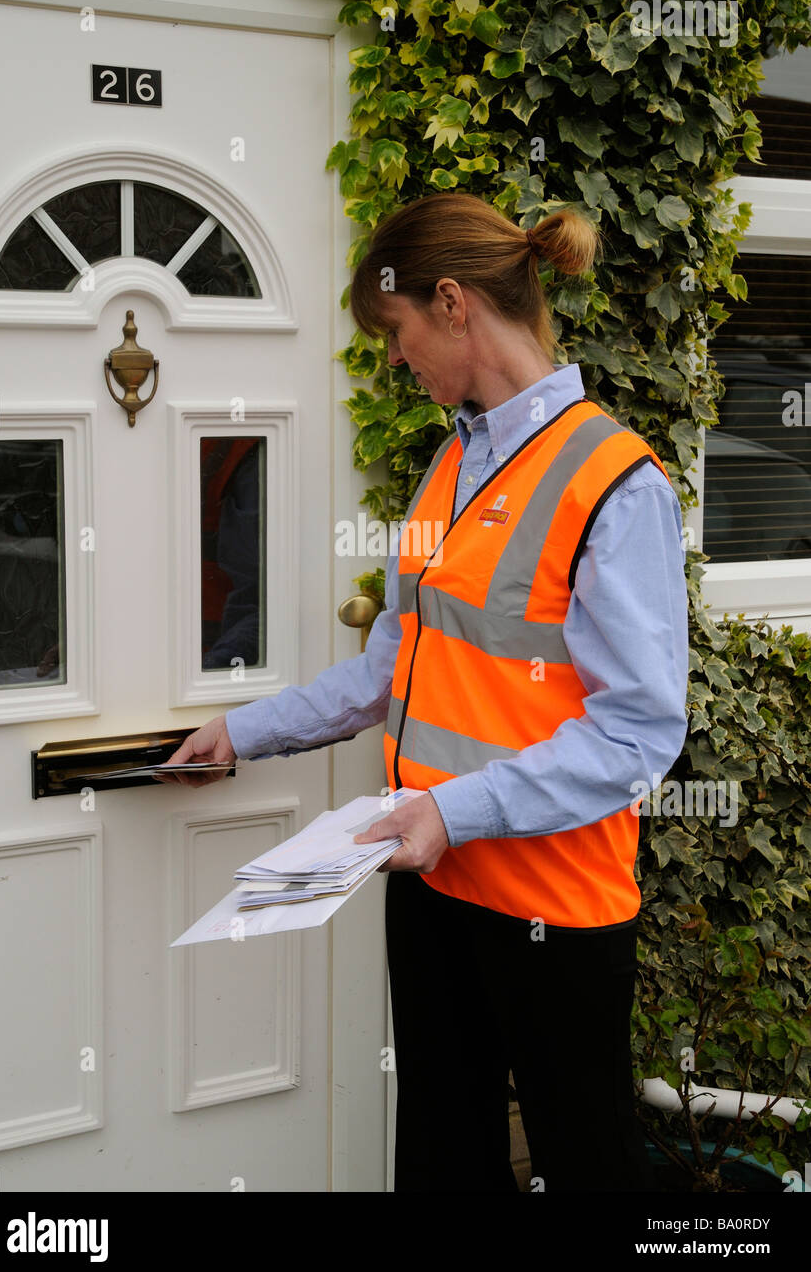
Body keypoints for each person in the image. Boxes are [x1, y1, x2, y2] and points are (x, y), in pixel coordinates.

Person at [161, 193, 689, 1194]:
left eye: (395, 333)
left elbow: (635, 735)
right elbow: (388, 673)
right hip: (434, 884)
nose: (396, 361)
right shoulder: (449, 464)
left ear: (450, 303)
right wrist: (240, 731)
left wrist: (451, 809)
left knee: (588, 1168)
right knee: (441, 1164)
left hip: (553, 909)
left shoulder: (616, 484)